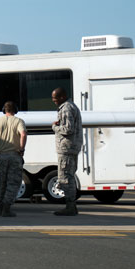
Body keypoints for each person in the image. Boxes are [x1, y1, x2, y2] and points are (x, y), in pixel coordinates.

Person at [0, 101, 27, 217]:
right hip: (14, 156)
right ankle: (6, 208)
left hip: (1, 156)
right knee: (13, 182)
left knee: (2, 182)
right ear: (15, 110)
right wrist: (22, 149)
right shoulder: (18, 121)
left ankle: (1, 207)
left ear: (4, 110)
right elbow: (23, 134)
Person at [51, 87, 83, 215]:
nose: (53, 101)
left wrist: (55, 127)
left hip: (66, 147)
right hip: (72, 147)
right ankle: (71, 206)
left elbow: (68, 129)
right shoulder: (71, 106)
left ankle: (70, 207)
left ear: (62, 97)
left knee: (65, 177)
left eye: (55, 98)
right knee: (68, 176)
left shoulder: (66, 108)